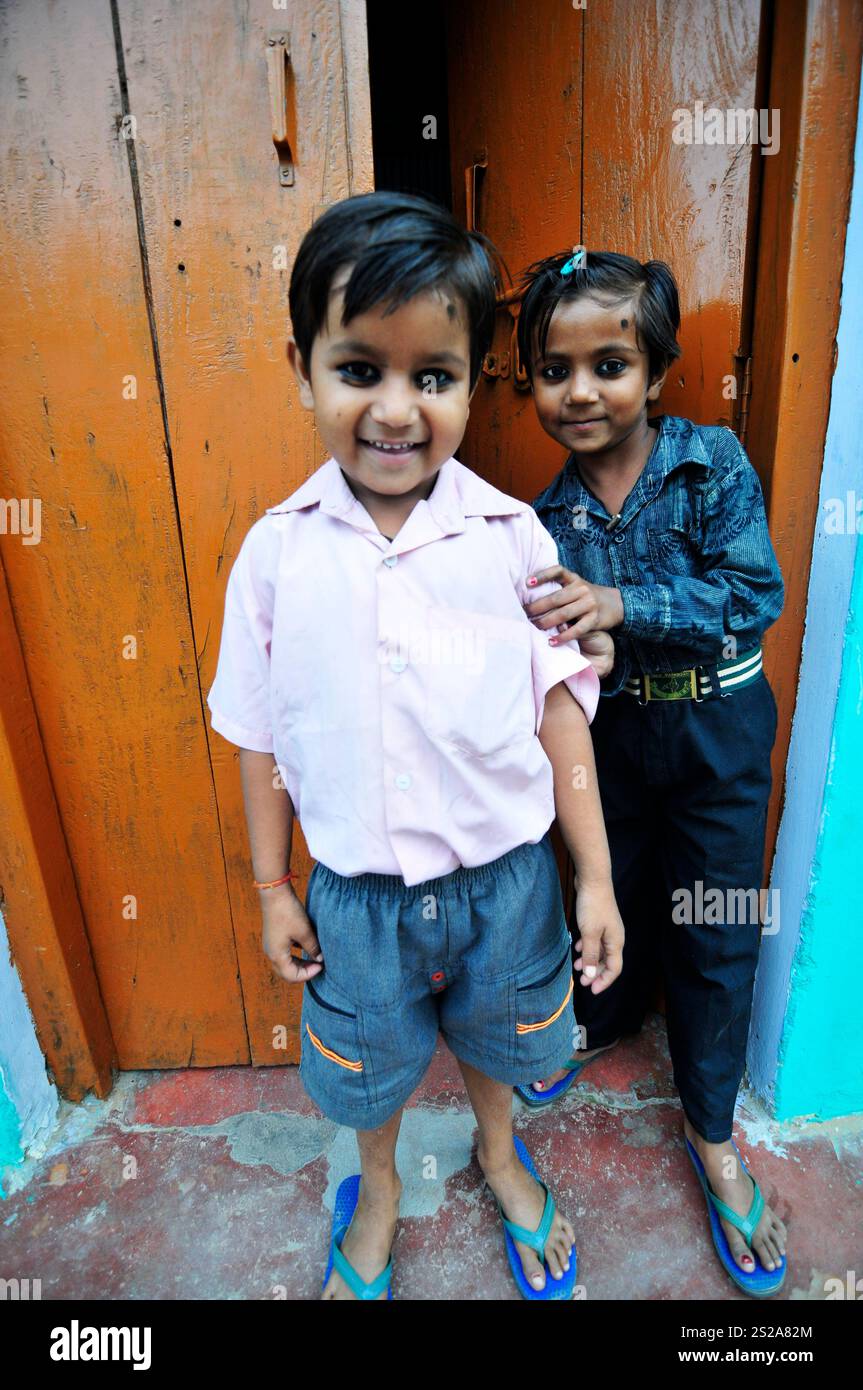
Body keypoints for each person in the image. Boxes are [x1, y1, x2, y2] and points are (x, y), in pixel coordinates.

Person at [206, 193, 624, 1301]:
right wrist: (268, 887)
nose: (396, 411)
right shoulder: (275, 557)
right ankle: (379, 1188)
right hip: (355, 899)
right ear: (302, 366)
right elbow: (256, 739)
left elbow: (558, 714)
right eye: (359, 371)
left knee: (500, 1041)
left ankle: (495, 1154)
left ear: (473, 378)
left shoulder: (508, 538)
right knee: (368, 1073)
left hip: (505, 884)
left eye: (430, 376)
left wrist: (593, 875)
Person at [516, 247, 788, 1296]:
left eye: (608, 364)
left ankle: (711, 1130)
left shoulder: (708, 463)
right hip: (614, 738)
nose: (579, 391)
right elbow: (557, 654)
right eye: (551, 369)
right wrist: (579, 651)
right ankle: (604, 1018)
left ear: (656, 368)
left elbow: (748, 592)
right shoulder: (540, 521)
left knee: (714, 920)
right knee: (605, 885)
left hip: (717, 732)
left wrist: (621, 608)